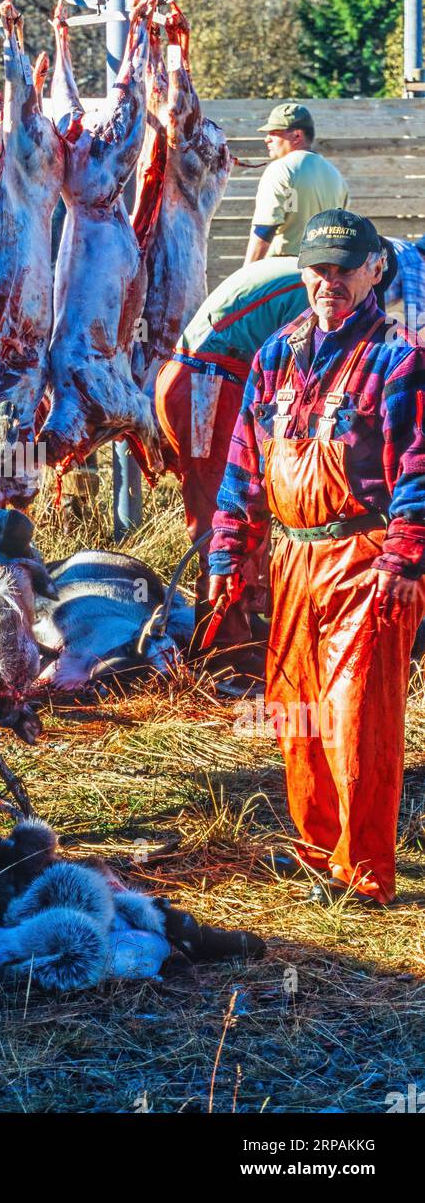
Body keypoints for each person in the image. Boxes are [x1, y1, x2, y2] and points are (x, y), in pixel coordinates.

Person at [209, 210, 425, 906]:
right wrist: (227, 557)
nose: (329, 282)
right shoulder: (276, 354)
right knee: (296, 713)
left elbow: (419, 472)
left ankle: (364, 875)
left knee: (356, 718)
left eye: (343, 269)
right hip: (293, 561)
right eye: (318, 270)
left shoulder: (400, 358)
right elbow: (243, 468)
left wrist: (403, 564)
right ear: (303, 274)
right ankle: (317, 852)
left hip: (367, 558)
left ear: (374, 272)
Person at [154, 244, 398, 653]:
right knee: (223, 511)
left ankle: (245, 629)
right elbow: (307, 385)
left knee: (225, 506)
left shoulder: (303, 273)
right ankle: (225, 647)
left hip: (193, 379)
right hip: (208, 385)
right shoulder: (314, 301)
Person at [244, 104, 348, 265]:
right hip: (324, 274)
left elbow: (265, 229)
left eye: (274, 133)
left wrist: (246, 275)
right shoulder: (335, 175)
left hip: (285, 271)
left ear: (297, 136)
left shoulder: (281, 169)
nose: (267, 139)